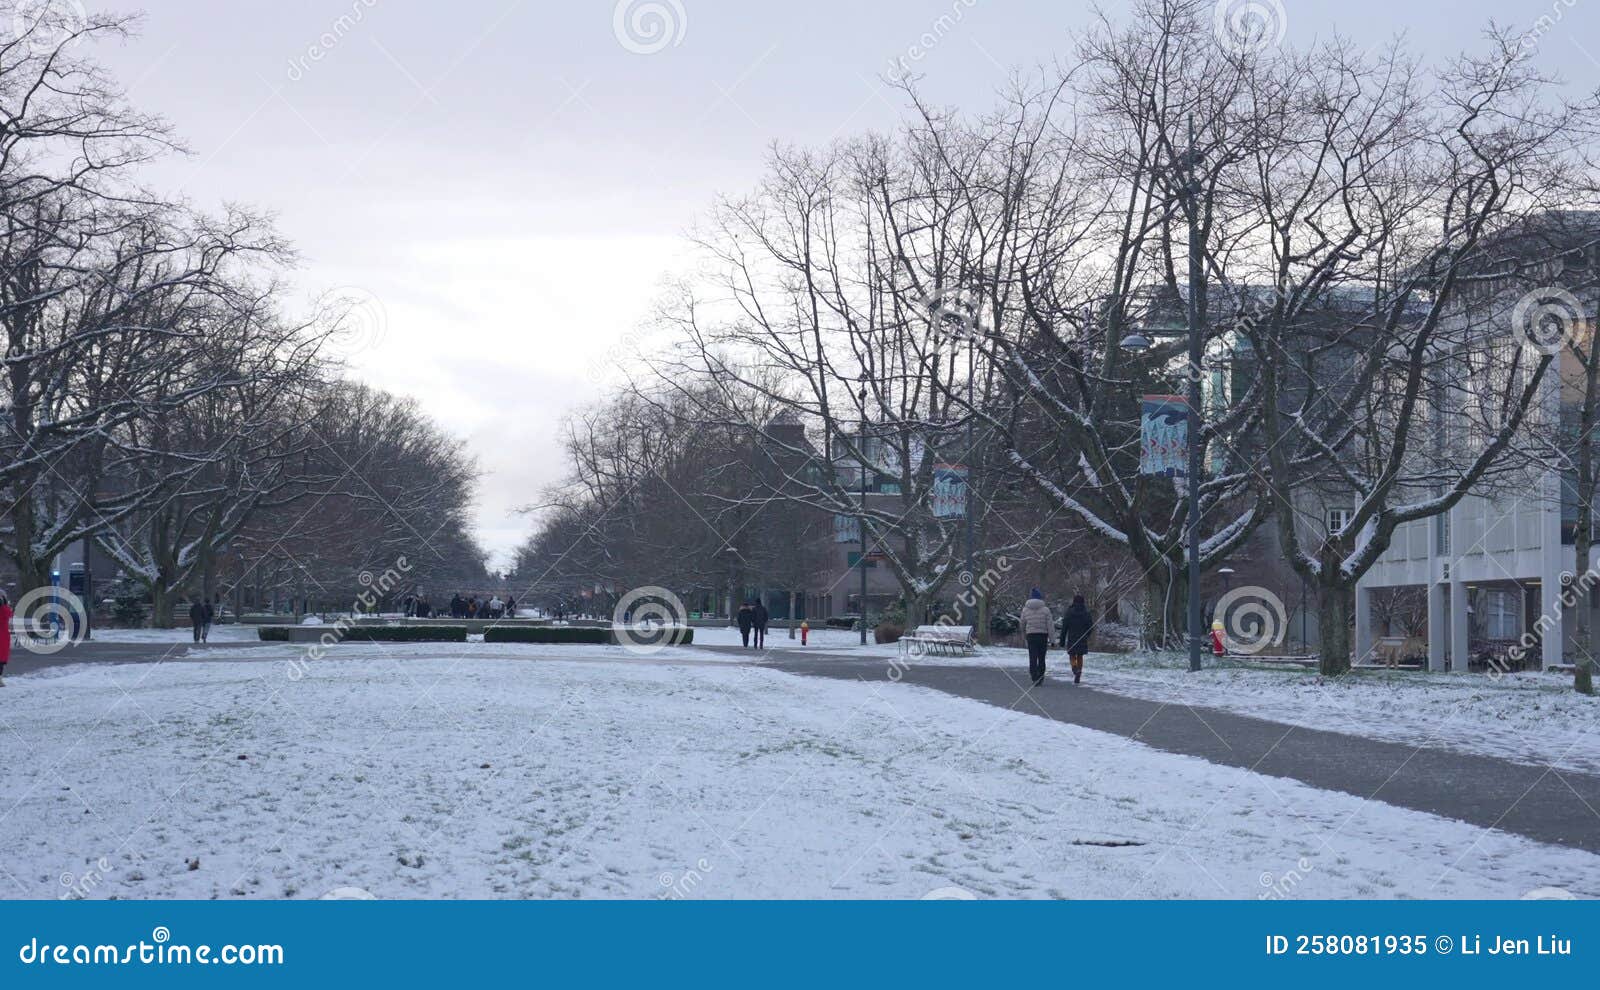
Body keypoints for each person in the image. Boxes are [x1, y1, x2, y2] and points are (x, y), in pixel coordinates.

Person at [1019, 588, 1054, 686]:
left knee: (1032, 656)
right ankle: (1041, 677)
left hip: (1031, 635)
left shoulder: (1025, 609)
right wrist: (1052, 640)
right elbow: (1050, 625)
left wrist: (1023, 633)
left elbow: (1022, 623)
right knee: (1042, 657)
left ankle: (1034, 676)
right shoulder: (1046, 610)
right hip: (1043, 636)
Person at [1061, 594, 1095, 685]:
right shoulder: (1086, 613)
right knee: (1080, 655)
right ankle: (1079, 672)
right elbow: (1090, 626)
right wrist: (1087, 635)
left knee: (1072, 655)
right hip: (1082, 637)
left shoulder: (1069, 612)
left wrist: (1062, 640)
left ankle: (1074, 668)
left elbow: (1065, 627)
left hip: (1072, 637)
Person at [0, 591, 11, 686]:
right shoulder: (5, 610)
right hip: (3, 637)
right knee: (1, 660)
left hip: (3, 637)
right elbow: (8, 613)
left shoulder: (5, 610)